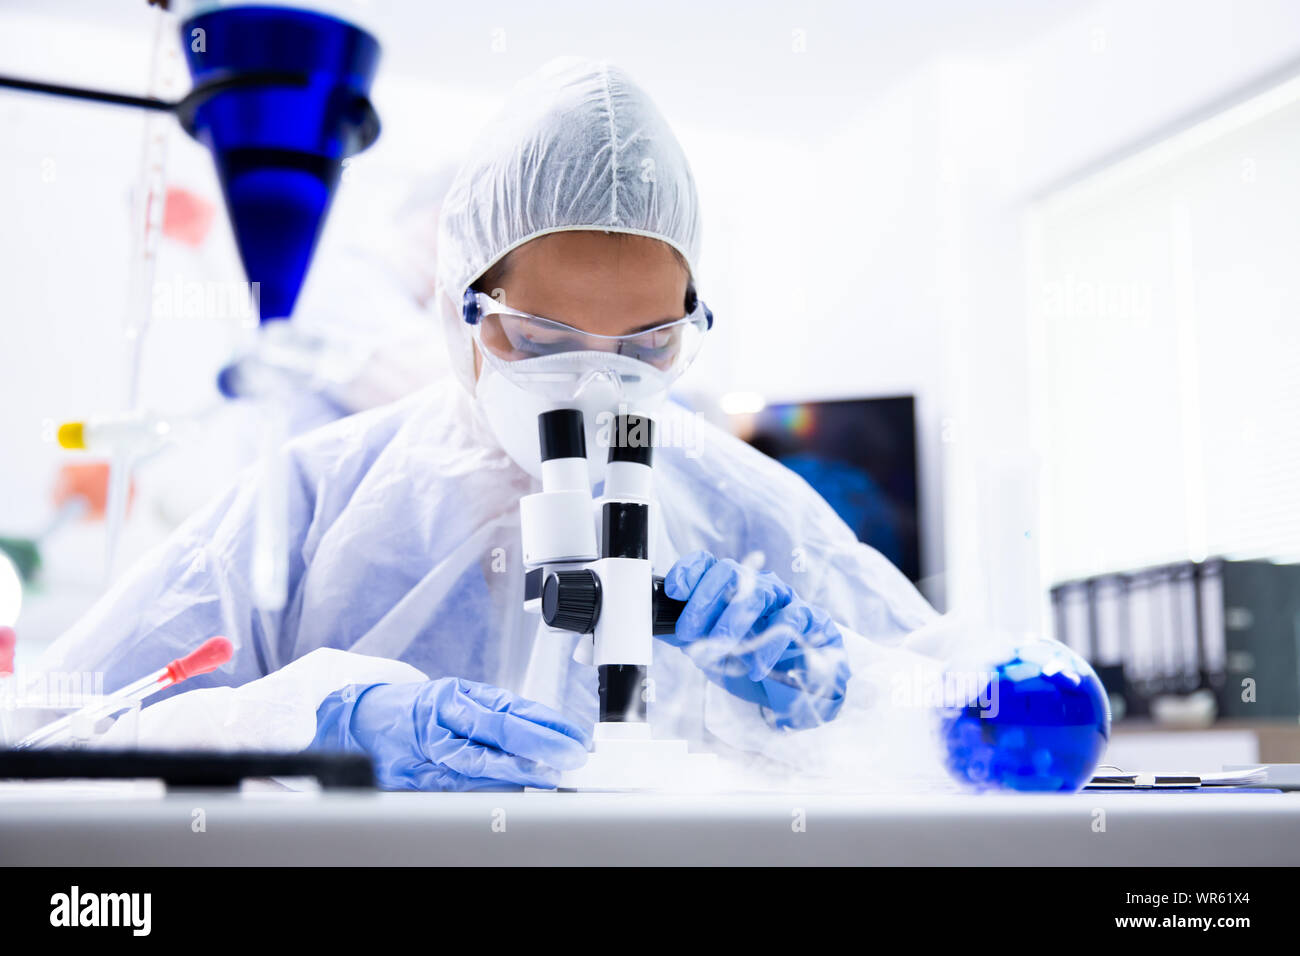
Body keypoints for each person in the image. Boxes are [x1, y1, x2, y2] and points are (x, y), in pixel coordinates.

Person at [30, 57, 939, 790]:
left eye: (646, 346)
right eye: (542, 340)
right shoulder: (316, 497)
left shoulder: (743, 512)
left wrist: (840, 689)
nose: (596, 385)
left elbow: (997, 721)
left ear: (691, 323)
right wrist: (295, 723)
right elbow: (45, 744)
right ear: (455, 303)